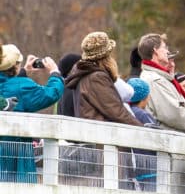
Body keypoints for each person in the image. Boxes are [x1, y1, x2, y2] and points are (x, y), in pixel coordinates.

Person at [0, 44, 64, 182]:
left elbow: (7, 85)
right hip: (16, 153)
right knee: (18, 188)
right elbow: (52, 93)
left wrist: (23, 71)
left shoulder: (18, 85)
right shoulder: (22, 86)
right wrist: (55, 73)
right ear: (15, 66)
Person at [64, 32, 142, 126]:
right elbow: (117, 111)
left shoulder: (84, 74)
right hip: (101, 133)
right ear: (106, 56)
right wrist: (142, 129)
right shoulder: (97, 77)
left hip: (92, 131)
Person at [138, 33, 185, 133]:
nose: (168, 51)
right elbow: (173, 115)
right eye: (165, 47)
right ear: (155, 51)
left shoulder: (158, 77)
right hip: (166, 139)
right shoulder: (154, 80)